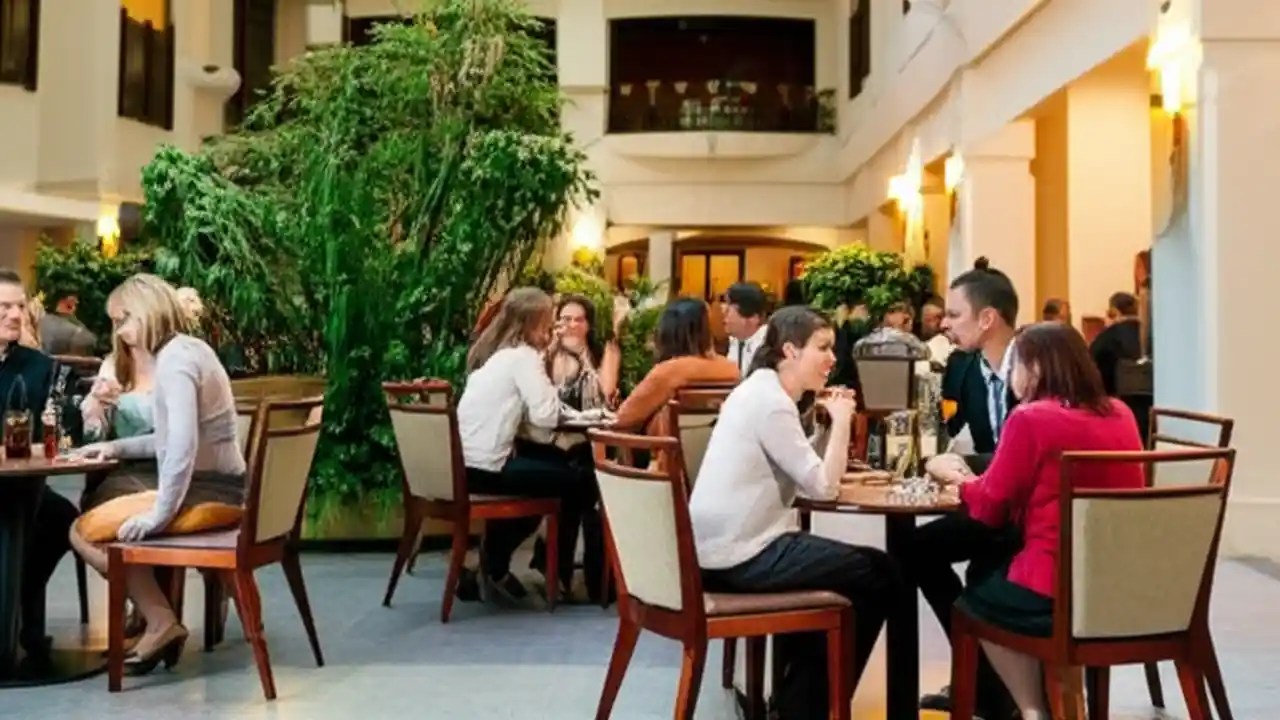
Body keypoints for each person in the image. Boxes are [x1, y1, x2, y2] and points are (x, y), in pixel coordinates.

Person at [927, 322, 1145, 720]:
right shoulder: (1122, 413)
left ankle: (1030, 709)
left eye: (1015, 366)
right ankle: (1057, 700)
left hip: (1053, 587)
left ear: (1037, 369)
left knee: (974, 598)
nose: (1011, 376)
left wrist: (955, 478)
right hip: (1118, 585)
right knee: (990, 567)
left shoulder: (1030, 419)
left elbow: (990, 508)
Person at [692, 306, 899, 720]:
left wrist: (824, 426)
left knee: (854, 573)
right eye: (823, 347)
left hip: (721, 548)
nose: (833, 358)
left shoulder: (763, 391)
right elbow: (823, 488)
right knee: (882, 574)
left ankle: (797, 704)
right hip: (740, 555)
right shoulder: (770, 402)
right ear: (790, 349)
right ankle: (804, 708)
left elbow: (809, 474)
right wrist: (842, 421)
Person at [69, 274, 247, 674]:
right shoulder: (186, 351)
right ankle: (157, 617)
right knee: (102, 507)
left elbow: (181, 450)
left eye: (123, 319)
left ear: (148, 312)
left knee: (84, 530)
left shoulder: (176, 361)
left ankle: (159, 619)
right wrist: (114, 446)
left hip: (211, 491)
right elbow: (167, 441)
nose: (120, 332)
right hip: (219, 483)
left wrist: (158, 515)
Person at [913, 257, 1022, 717]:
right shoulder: (967, 369)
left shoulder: (1036, 365)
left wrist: (964, 471)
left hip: (1034, 514)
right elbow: (988, 445)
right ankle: (980, 677)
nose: (944, 323)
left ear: (987, 318)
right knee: (916, 548)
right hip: (999, 502)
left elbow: (1038, 448)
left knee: (925, 552)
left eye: (954, 315)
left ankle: (983, 681)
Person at [455, 287, 598, 603]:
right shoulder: (524, 358)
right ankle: (560, 573)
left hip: (467, 466)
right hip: (489, 469)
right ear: (535, 323)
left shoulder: (492, 356)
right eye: (550, 322)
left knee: (555, 472)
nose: (554, 330)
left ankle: (495, 564)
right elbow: (546, 415)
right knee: (579, 480)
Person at [0, 270, 78, 656]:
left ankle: (16, 610)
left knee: (61, 517)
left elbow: (65, 434)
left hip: (24, 485)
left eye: (19, 305)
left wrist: (83, 411)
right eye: (4, 307)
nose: (15, 314)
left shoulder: (39, 366)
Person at [613, 298, 738, 435]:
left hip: (668, 454)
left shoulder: (669, 372)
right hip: (716, 454)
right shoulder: (731, 369)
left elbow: (623, 419)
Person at [1090, 291, 1149, 439]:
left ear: (1114, 312)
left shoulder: (1105, 338)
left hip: (1114, 417)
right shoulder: (1153, 334)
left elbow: (1089, 373)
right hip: (1153, 419)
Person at [722, 282, 768, 375]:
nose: (723, 312)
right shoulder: (733, 341)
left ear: (753, 318)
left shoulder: (768, 346)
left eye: (729, 308)